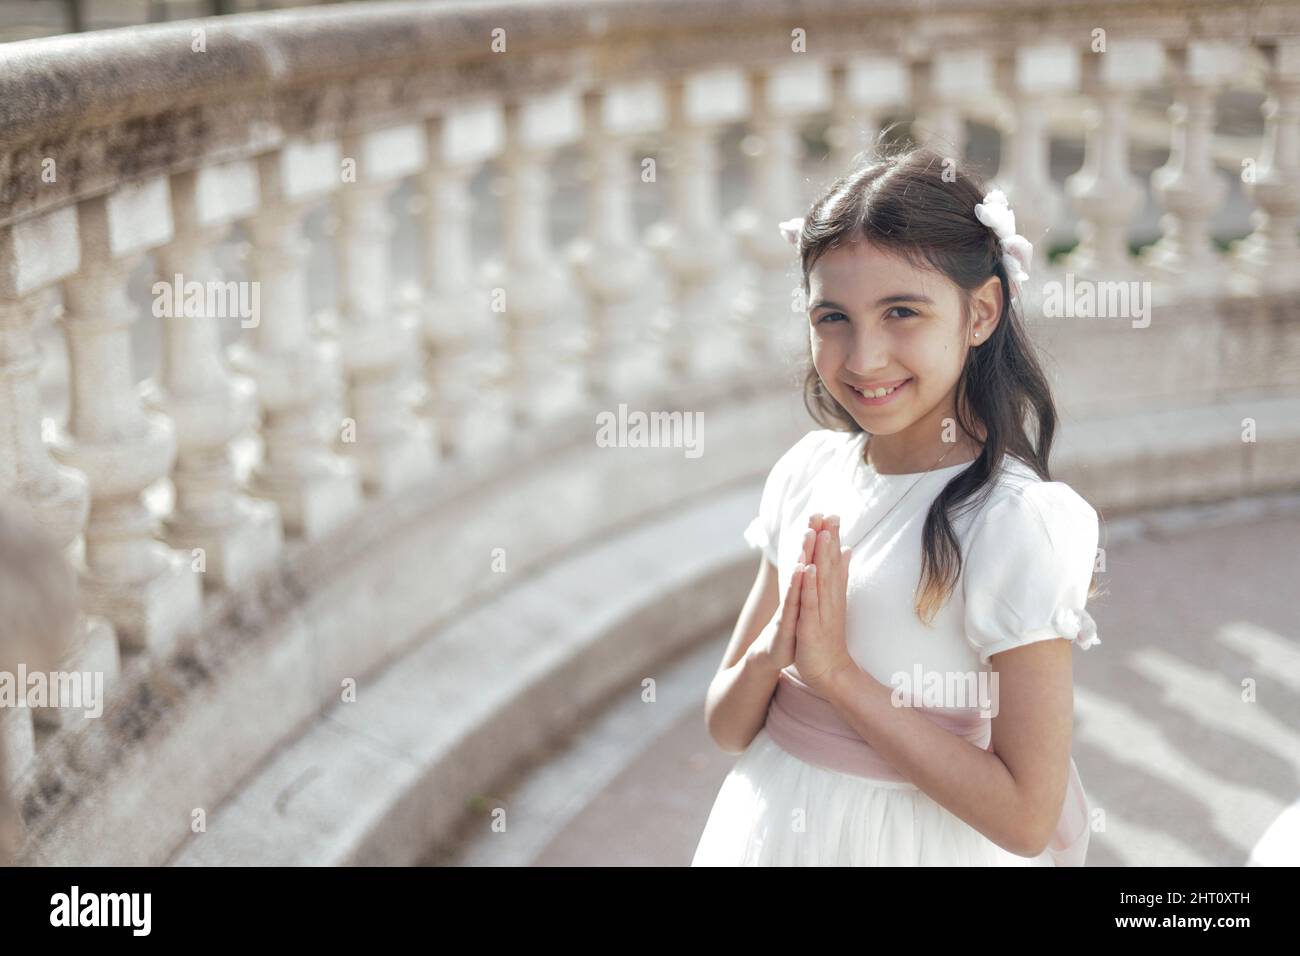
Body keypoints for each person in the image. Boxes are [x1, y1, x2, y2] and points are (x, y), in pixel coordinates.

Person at [692, 141, 1103, 866]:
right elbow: (727, 728)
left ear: (981, 313)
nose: (863, 358)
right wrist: (773, 651)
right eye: (832, 318)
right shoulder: (808, 473)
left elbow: (1027, 818)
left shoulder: (1012, 523)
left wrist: (839, 679)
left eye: (902, 312)